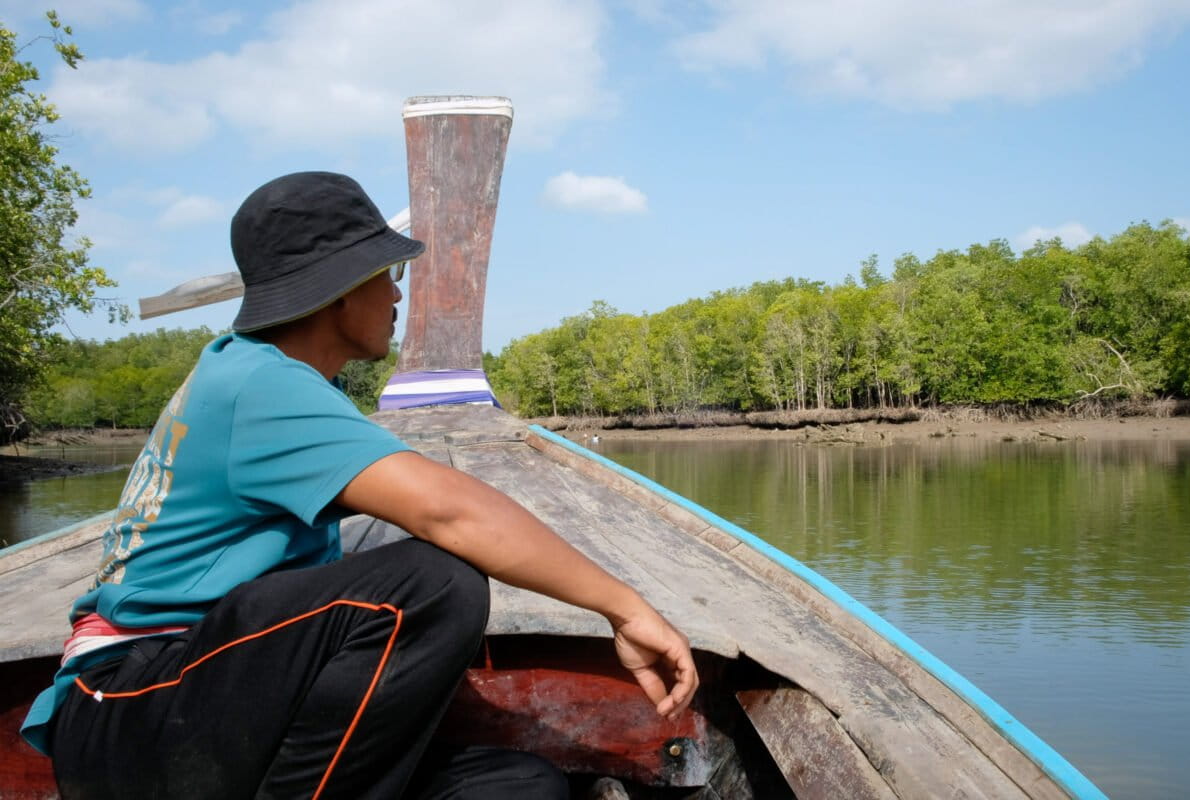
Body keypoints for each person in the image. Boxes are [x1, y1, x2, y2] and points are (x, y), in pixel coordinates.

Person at [22, 171, 698, 799]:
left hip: (200, 703)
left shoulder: (261, 376)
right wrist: (625, 608)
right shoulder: (261, 384)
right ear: (339, 288)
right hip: (136, 709)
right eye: (388, 272)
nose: (398, 293)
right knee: (433, 583)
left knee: (520, 787)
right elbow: (451, 513)